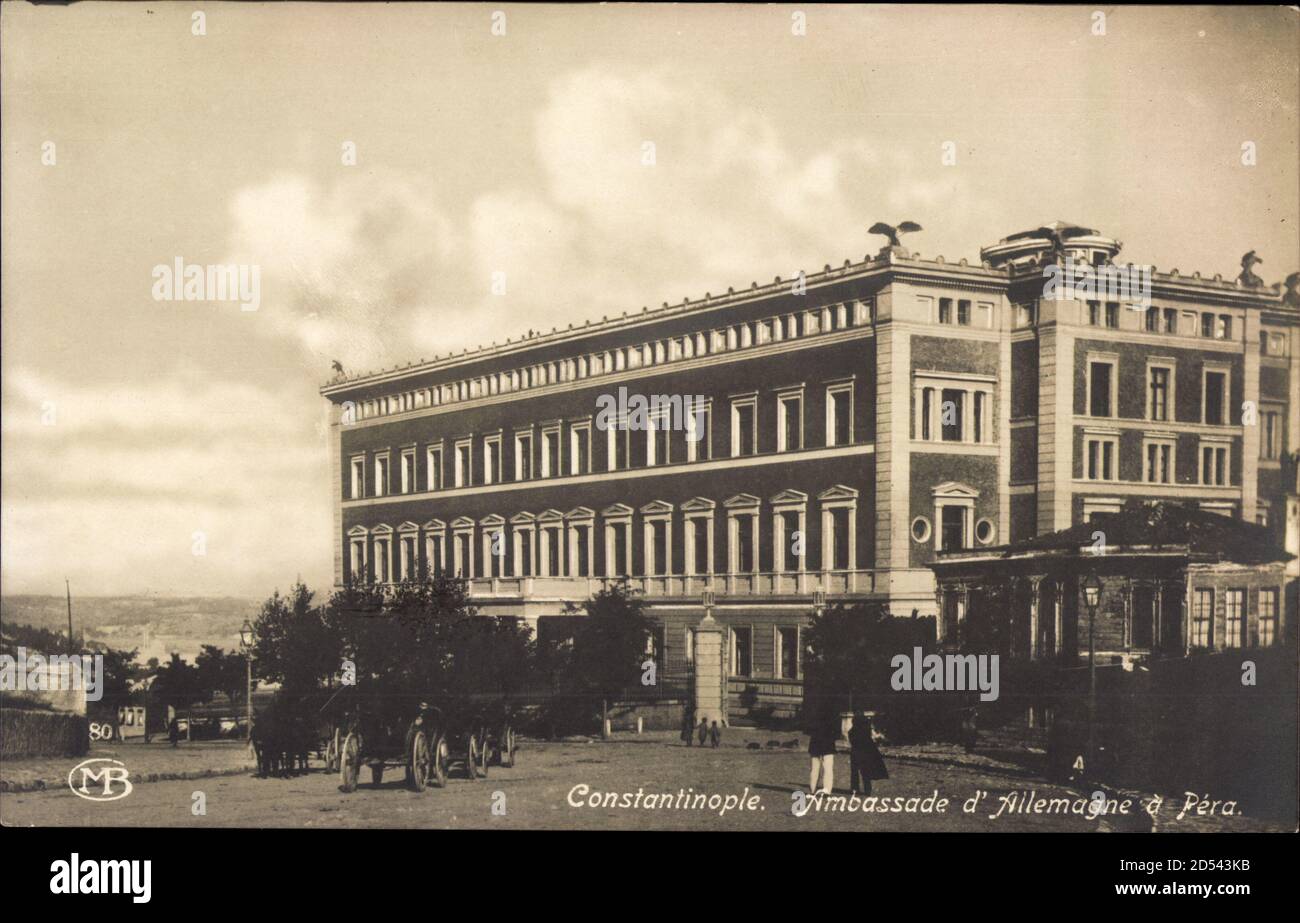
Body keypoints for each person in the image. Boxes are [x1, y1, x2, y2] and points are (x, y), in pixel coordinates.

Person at [848, 713, 888, 795]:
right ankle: (867, 789)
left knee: (854, 771)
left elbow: (852, 742)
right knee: (865, 771)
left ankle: (855, 789)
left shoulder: (851, 731)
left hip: (855, 752)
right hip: (865, 752)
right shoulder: (866, 730)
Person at [807, 710, 838, 795]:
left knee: (814, 768)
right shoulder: (832, 716)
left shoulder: (814, 715)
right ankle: (827, 790)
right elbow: (835, 731)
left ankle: (813, 789)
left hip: (816, 743)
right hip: (828, 744)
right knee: (828, 769)